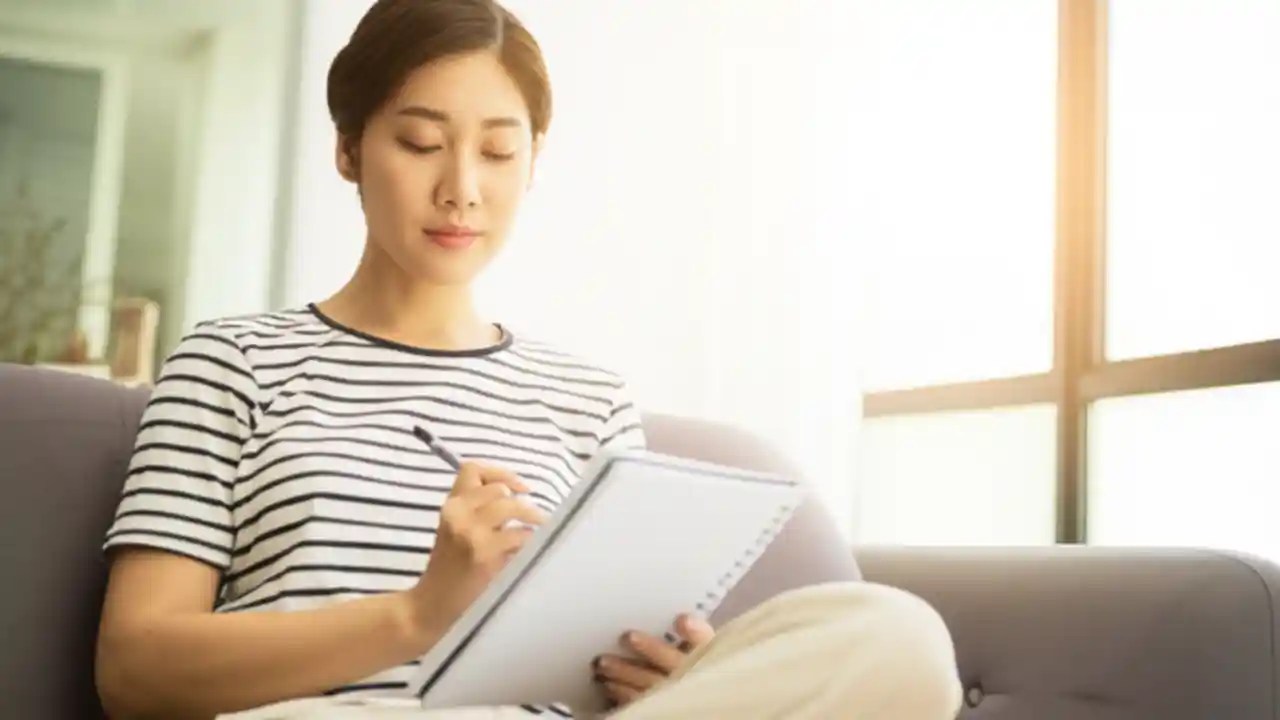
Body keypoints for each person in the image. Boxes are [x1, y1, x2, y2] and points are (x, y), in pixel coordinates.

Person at [94, 1, 962, 718]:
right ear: (349, 149)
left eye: (499, 152)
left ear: (534, 161)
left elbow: (609, 659)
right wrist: (419, 614)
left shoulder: (589, 400)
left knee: (897, 637)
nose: (462, 188)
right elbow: (134, 672)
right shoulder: (235, 363)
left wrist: (665, 677)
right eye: (421, 143)